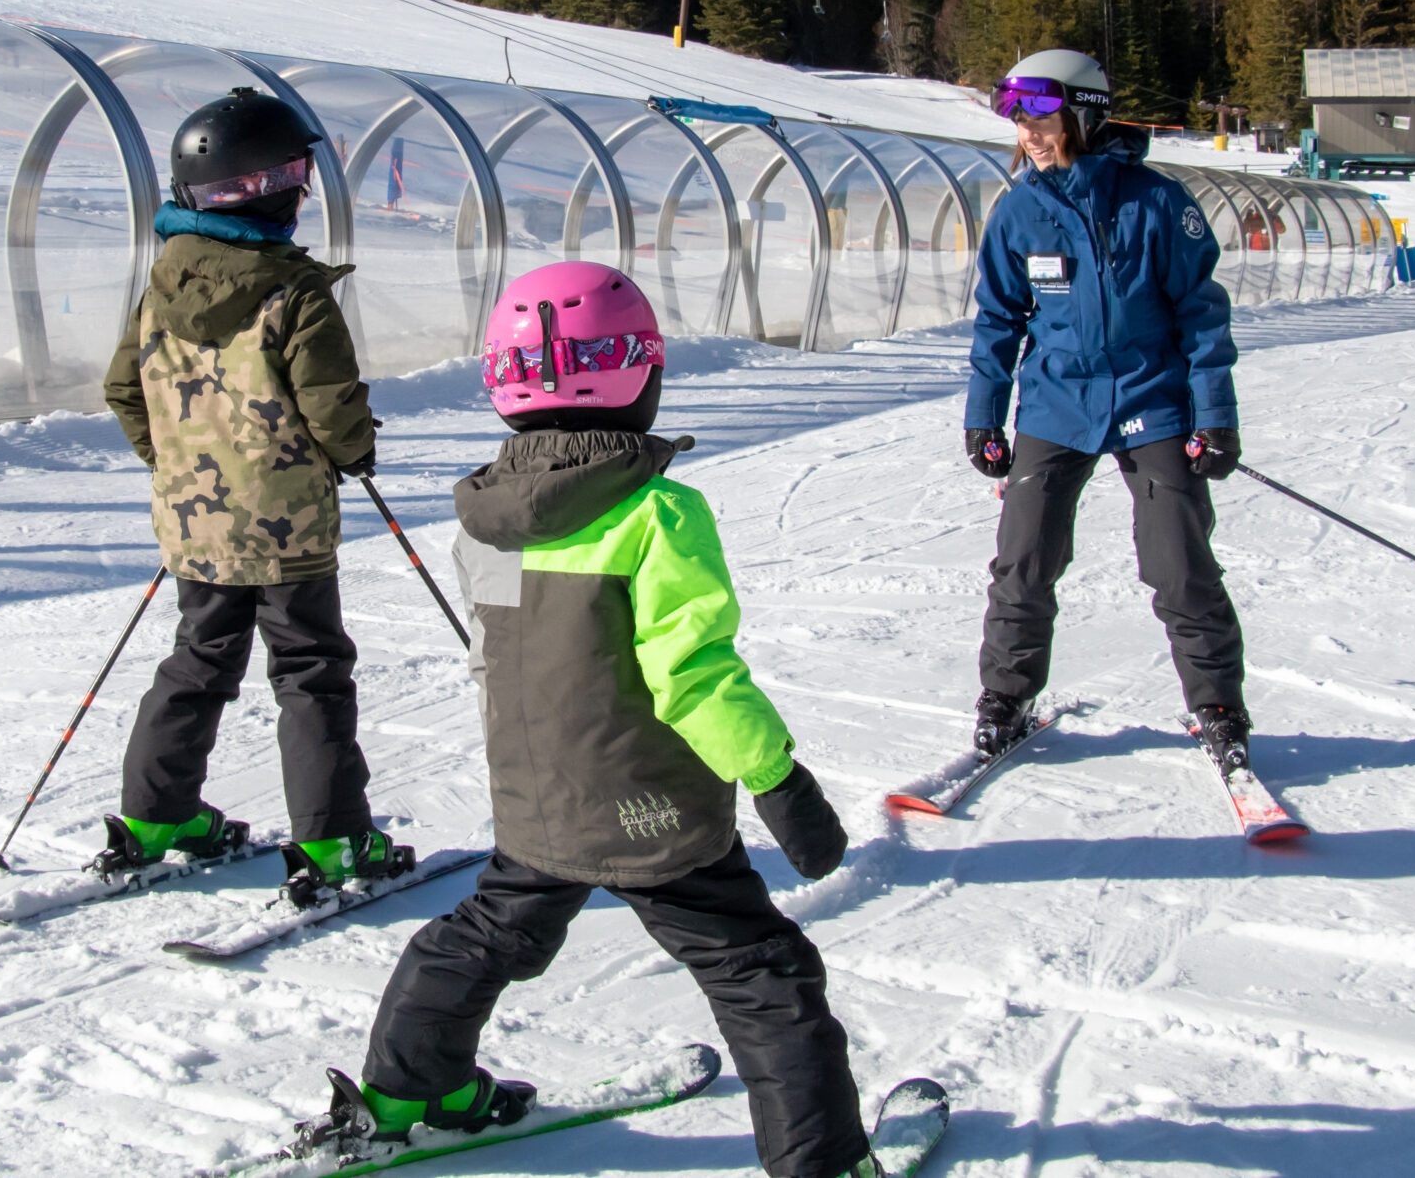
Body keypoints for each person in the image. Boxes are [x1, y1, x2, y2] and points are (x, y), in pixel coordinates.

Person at [322, 261, 875, 1178]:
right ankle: (823, 1164)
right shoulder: (659, 513)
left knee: (490, 931)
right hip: (654, 812)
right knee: (763, 974)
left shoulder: (486, 518)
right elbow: (691, 674)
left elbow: (494, 655)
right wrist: (780, 779)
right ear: (639, 377)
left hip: (538, 799)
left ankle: (409, 1087)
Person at [99, 86, 393, 899]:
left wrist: (178, 463)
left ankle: (158, 815)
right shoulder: (295, 292)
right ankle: (334, 842)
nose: (301, 188)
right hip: (288, 528)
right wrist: (356, 452)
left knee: (199, 659)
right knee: (310, 670)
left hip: (197, 524)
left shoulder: (162, 288)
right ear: (267, 188)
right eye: (296, 173)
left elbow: (124, 387)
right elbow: (332, 406)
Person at [962, 49, 1253, 774]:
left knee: (1177, 559)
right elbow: (998, 319)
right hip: (1057, 406)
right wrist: (983, 414)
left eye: (1042, 115)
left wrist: (1213, 413)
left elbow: (1202, 316)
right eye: (1019, 119)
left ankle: (1217, 706)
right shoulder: (1020, 211)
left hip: (1151, 401)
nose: (1028, 131)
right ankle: (1006, 699)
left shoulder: (1156, 203)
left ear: (1084, 114)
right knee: (1025, 558)